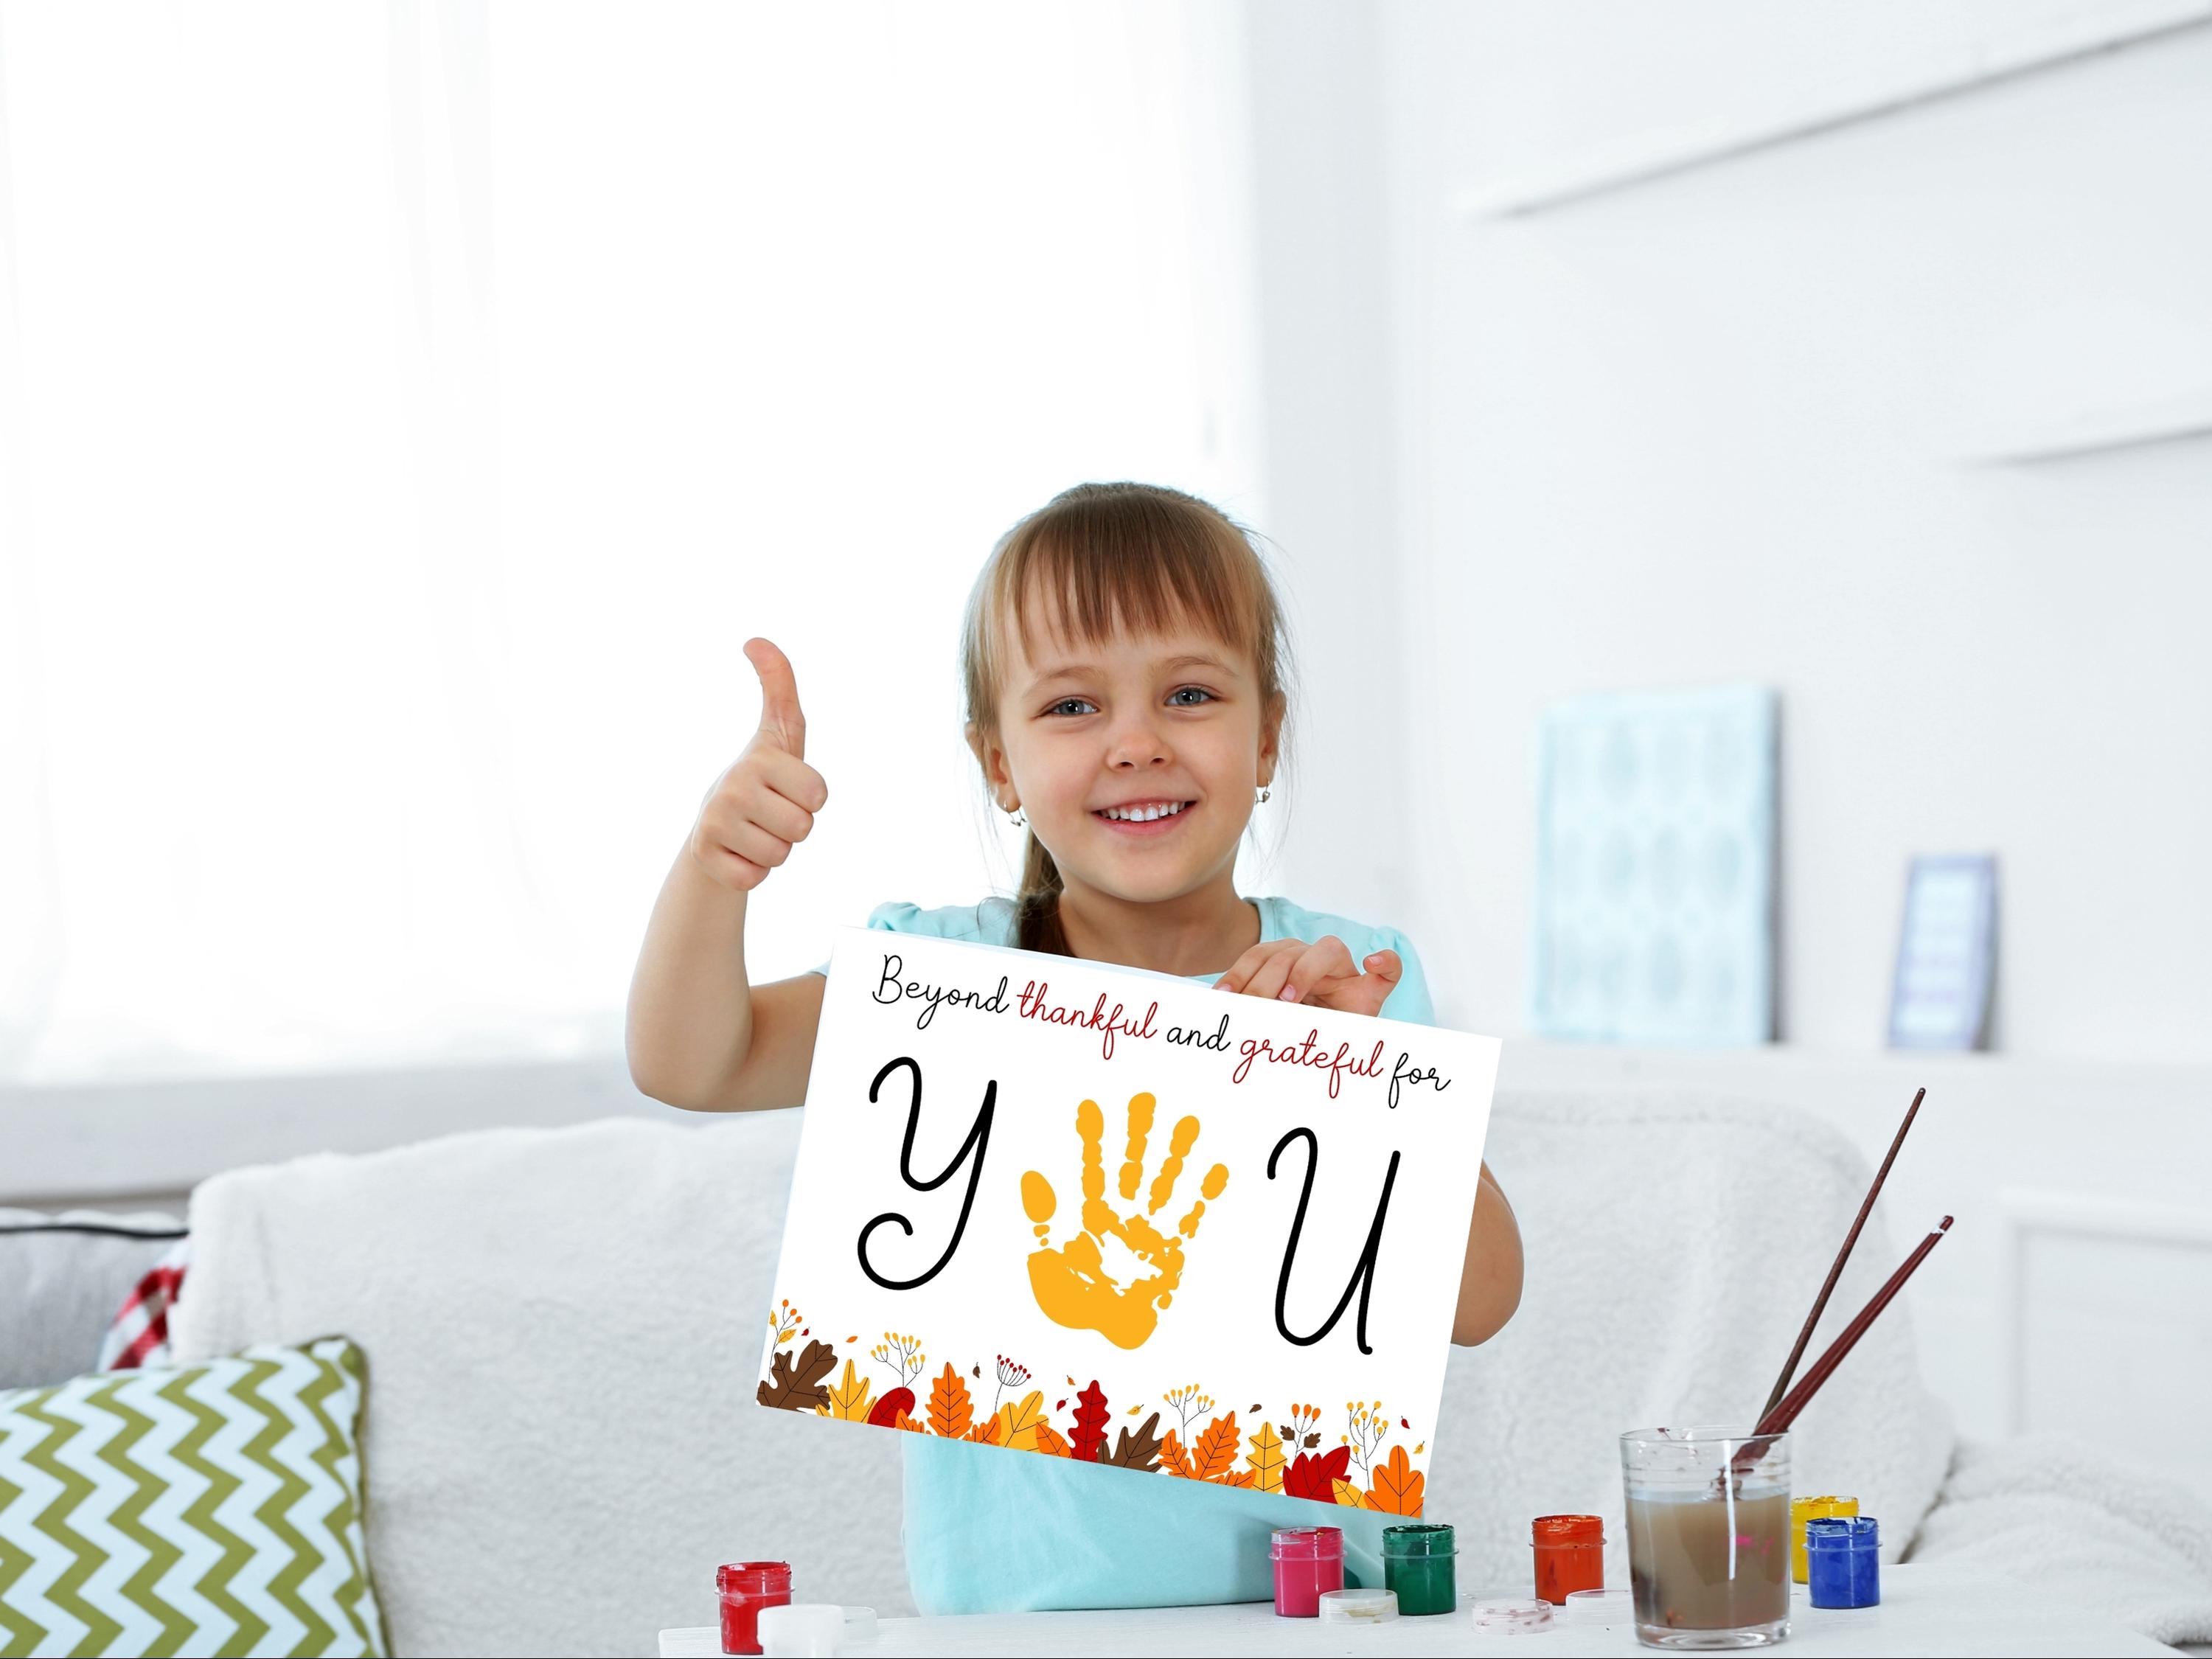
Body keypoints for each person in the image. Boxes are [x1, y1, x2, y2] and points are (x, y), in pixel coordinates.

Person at [626, 480, 1524, 1612]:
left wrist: (1358, 1090)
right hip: (1017, 1628)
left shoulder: (1350, 976)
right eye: (1071, 706)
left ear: (1266, 738)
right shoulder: (943, 975)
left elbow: (1480, 1302)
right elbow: (693, 1062)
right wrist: (715, 870)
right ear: (999, 763)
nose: (1136, 743)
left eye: (1189, 694)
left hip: (1316, 1617)